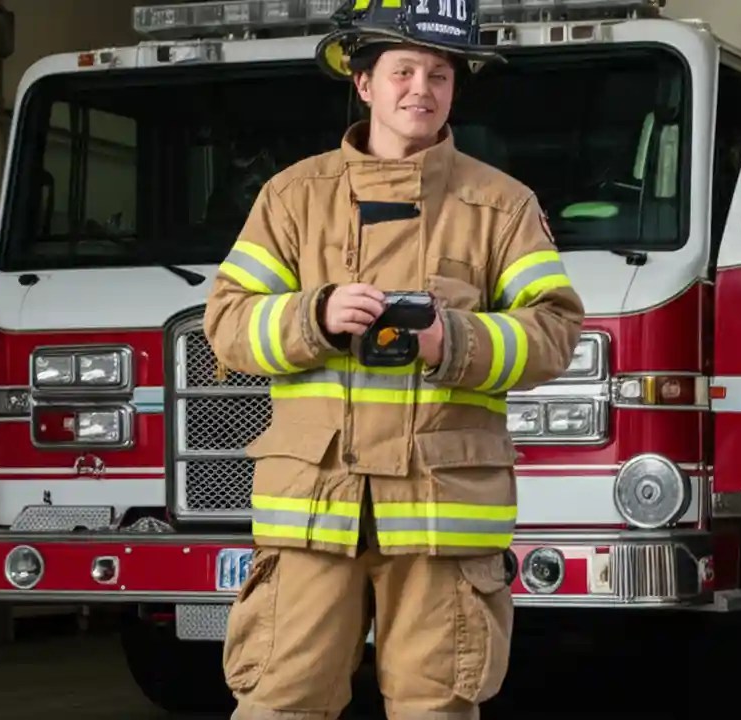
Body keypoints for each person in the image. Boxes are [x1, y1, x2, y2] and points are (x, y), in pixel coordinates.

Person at [201, 0, 586, 717]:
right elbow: (225, 324)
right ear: (364, 83)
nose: (422, 88)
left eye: (440, 74)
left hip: (440, 518)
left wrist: (455, 341)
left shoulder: (501, 205)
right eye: (403, 70)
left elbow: (555, 332)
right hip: (315, 511)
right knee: (280, 702)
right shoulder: (291, 198)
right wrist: (312, 316)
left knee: (436, 707)